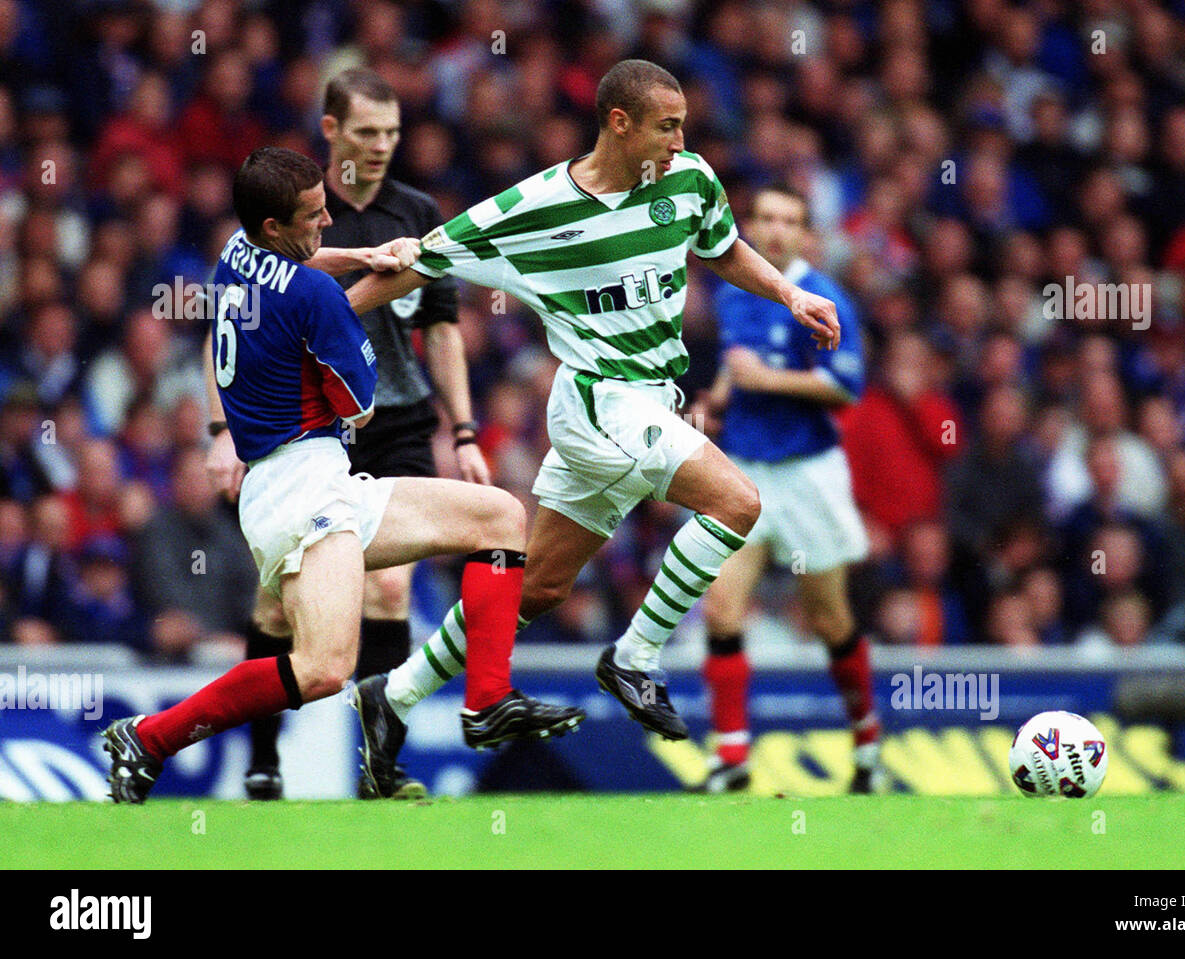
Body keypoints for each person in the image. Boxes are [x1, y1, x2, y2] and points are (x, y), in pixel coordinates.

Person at [341, 59, 841, 770]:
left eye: (683, 126)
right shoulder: (536, 206)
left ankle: (393, 694)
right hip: (600, 400)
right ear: (619, 123)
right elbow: (420, 262)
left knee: (537, 588)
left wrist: (790, 295)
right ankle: (634, 656)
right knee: (737, 502)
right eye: (667, 127)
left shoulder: (689, 180)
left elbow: (722, 248)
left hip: (651, 400)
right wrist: (323, 320)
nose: (680, 141)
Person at [101, 148, 583, 804]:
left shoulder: (236, 252)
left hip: (302, 480)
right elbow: (361, 405)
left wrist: (360, 257)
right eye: (314, 215)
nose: (329, 220)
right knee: (324, 669)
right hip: (304, 491)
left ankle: (489, 699)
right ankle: (150, 737)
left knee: (499, 516)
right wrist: (346, 310)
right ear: (274, 226)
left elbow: (296, 270)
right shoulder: (317, 298)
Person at [206, 68, 490, 801]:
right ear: (331, 131)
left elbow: (442, 330)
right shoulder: (294, 204)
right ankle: (263, 760)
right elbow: (254, 320)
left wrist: (464, 429)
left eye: (393, 132)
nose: (382, 145)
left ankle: (379, 763)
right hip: (310, 425)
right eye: (367, 131)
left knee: (390, 590)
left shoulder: (415, 211)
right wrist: (220, 429)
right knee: (278, 605)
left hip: (395, 418)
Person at [689, 184, 880, 793]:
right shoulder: (732, 291)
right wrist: (717, 400)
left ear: (805, 234)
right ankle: (731, 759)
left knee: (829, 620)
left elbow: (845, 387)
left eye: (788, 220)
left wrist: (767, 381)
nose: (775, 230)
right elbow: (735, 362)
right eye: (766, 218)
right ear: (749, 225)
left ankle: (867, 744)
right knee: (721, 607)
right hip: (743, 470)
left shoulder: (825, 298)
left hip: (806, 471)